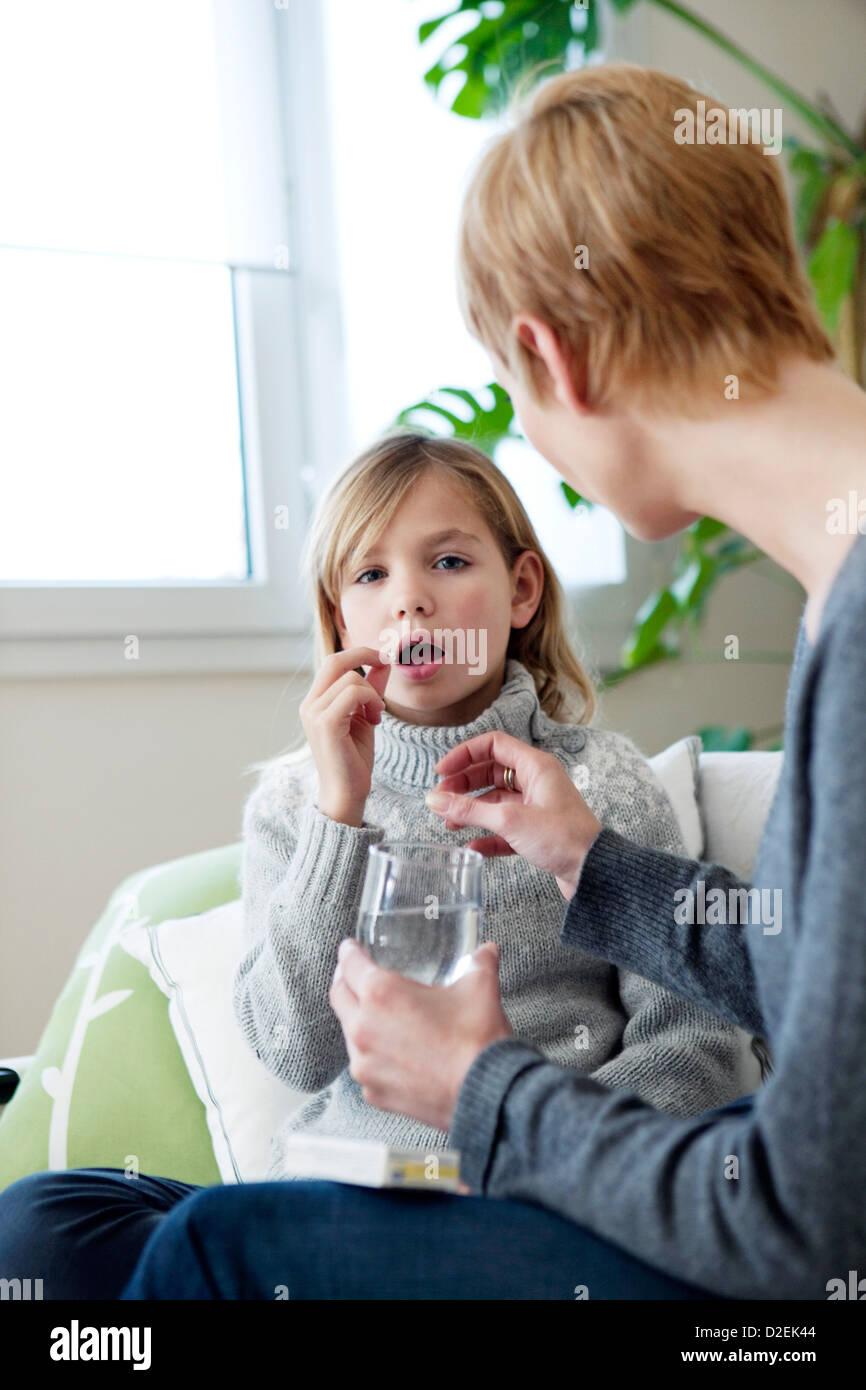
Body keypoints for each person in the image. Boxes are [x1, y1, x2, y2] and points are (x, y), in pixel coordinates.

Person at [3, 58, 864, 1299]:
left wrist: (481, 1093)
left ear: (549, 359)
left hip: (663, 1235)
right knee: (54, 1228)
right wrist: (595, 871)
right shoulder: (835, 608)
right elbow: (812, 984)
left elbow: (795, 1223)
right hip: (457, 1178)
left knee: (205, 1252)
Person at [0, 431, 753, 1301]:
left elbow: (693, 1052)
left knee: (207, 1244)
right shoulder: (298, 807)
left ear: (520, 589)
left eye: (447, 560)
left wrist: (541, 1151)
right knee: (39, 1225)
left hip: (540, 1197)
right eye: (371, 577)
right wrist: (338, 816)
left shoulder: (602, 783)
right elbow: (294, 1050)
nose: (411, 604)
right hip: (348, 1190)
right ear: (340, 621)